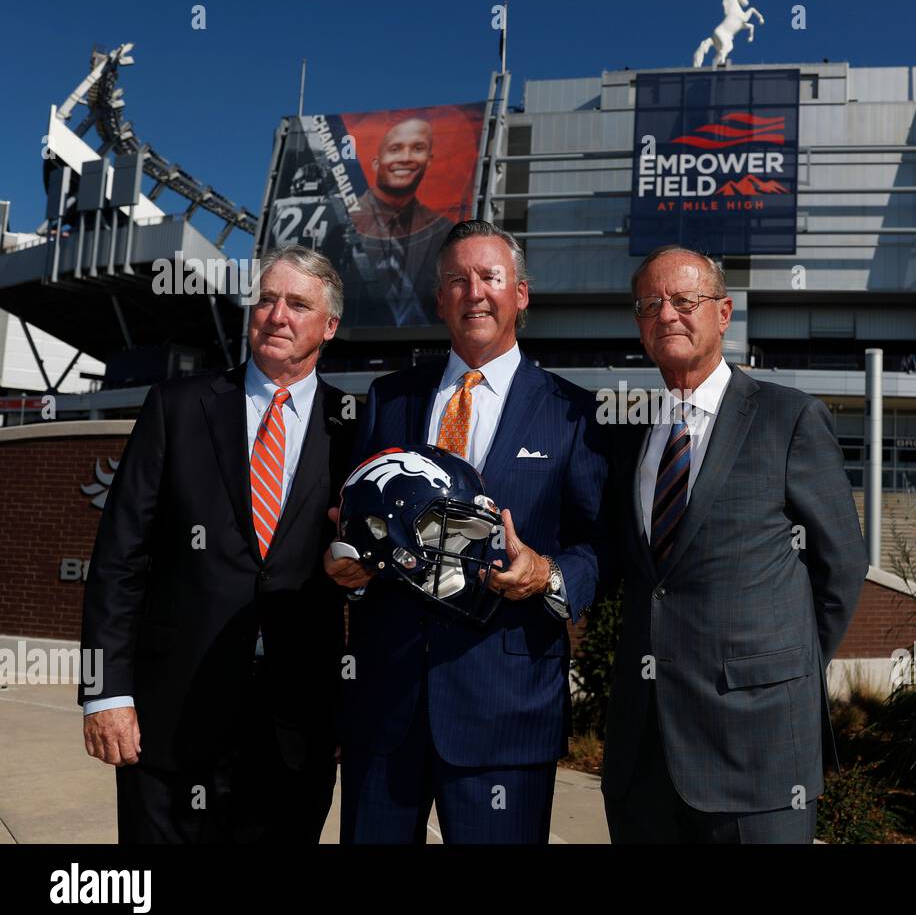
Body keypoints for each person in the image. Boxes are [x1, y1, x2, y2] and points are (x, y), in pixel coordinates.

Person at [325, 219, 611, 844]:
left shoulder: (574, 413)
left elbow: (598, 543)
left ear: (521, 294)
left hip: (504, 708)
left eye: (489, 277)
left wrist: (546, 573)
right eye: (456, 279)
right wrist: (343, 567)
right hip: (385, 705)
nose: (473, 292)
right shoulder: (387, 400)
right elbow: (355, 525)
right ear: (439, 300)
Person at [79, 246, 357, 843]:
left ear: (329, 326)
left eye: (298, 304)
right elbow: (117, 561)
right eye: (265, 299)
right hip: (169, 722)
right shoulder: (176, 407)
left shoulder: (356, 427)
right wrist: (104, 691)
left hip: (295, 729)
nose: (276, 315)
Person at [600, 245, 868, 843]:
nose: (667, 314)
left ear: (723, 313)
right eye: (650, 304)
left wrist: (783, 674)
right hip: (643, 755)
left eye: (684, 300)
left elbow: (843, 565)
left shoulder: (788, 418)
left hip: (759, 749)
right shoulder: (633, 435)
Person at [351, 117, 451, 327]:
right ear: (376, 163)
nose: (406, 158)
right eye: (395, 149)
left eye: (417, 148)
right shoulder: (343, 221)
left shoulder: (446, 231)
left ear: (429, 160)